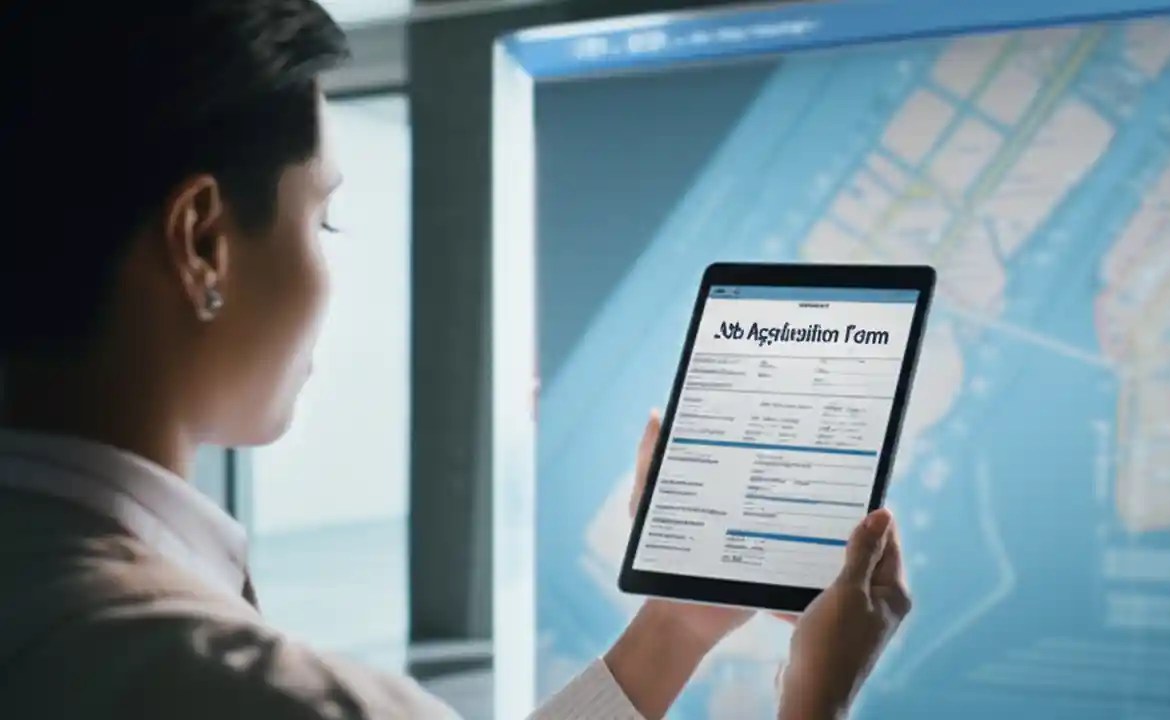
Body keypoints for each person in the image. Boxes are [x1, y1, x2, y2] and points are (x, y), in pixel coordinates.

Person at [0, 2, 913, 718]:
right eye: (322, 218)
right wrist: (815, 698)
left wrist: (676, 624)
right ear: (203, 241)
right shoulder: (279, 699)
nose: (329, 269)